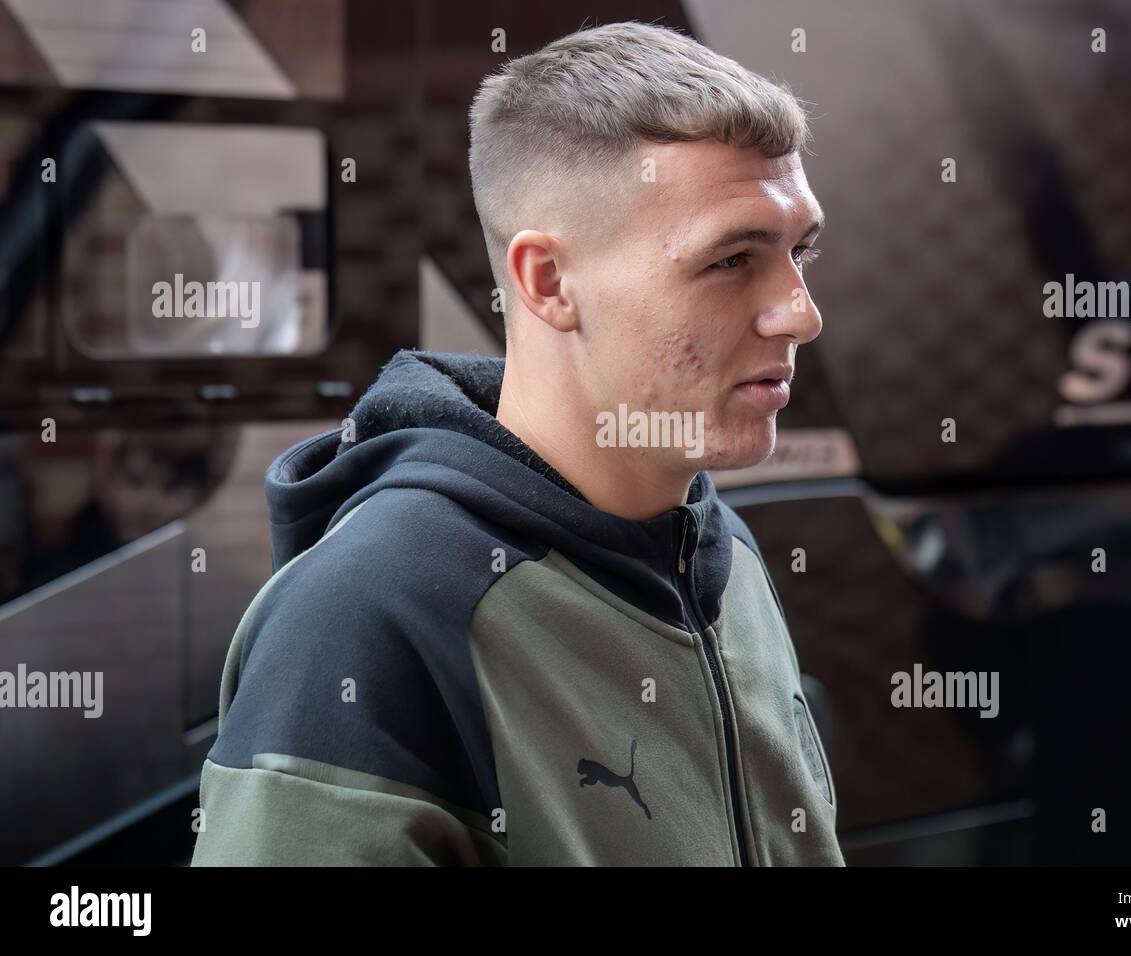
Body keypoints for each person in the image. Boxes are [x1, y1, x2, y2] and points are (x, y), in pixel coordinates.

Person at [191, 20, 841, 866]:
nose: (800, 311)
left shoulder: (723, 552)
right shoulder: (366, 612)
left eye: (800, 251)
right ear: (549, 282)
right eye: (731, 260)